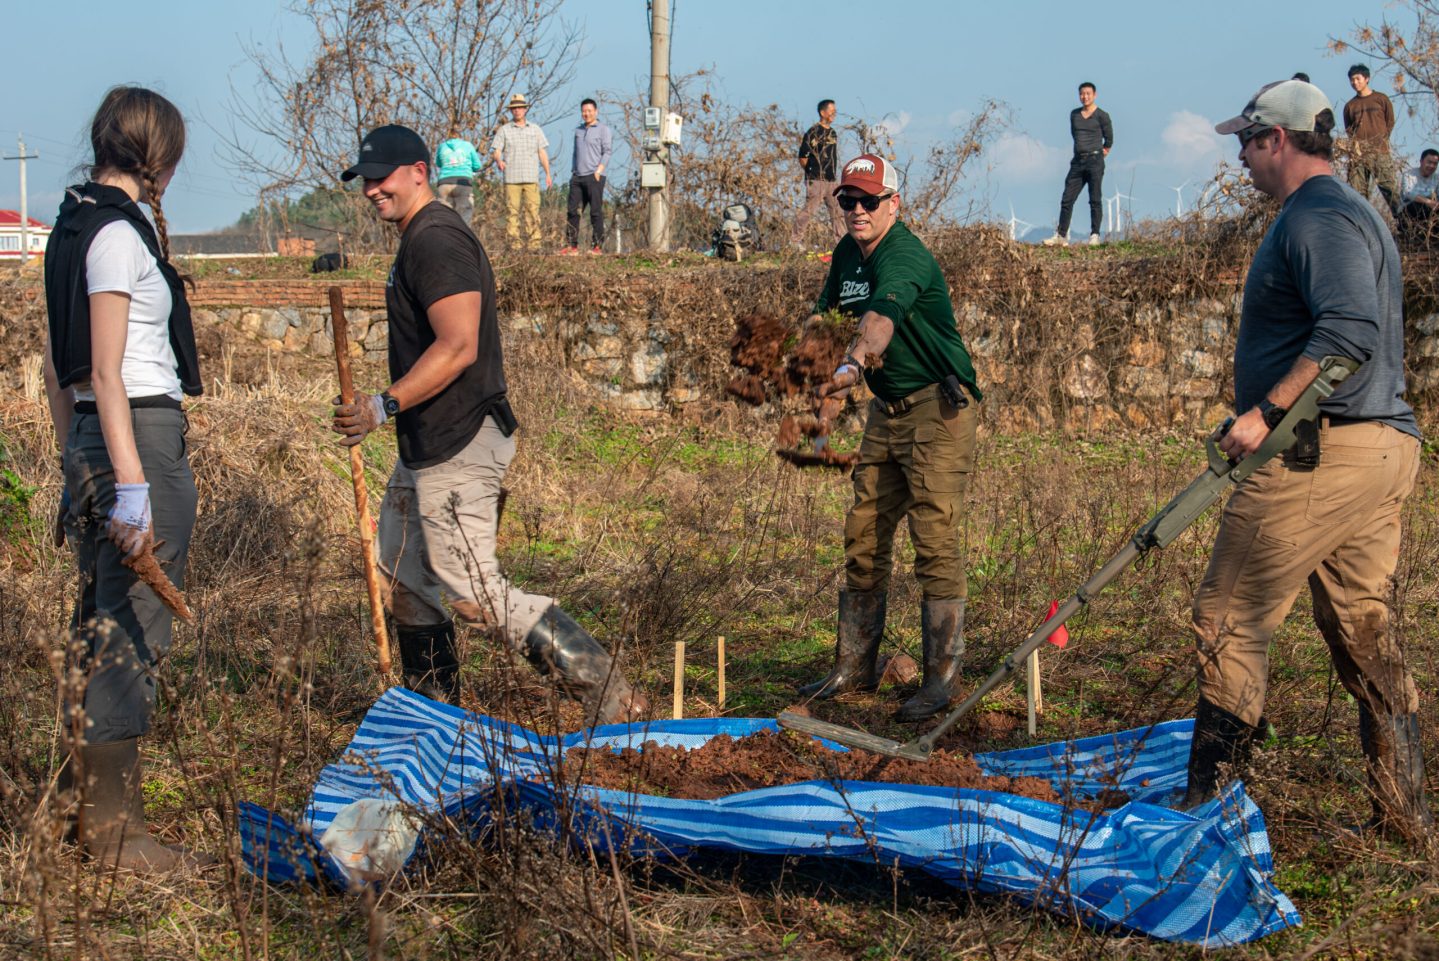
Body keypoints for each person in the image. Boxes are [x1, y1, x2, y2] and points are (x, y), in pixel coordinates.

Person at [333, 124, 647, 725]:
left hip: (460, 439)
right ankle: (435, 719)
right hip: (427, 445)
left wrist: (382, 405)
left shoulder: (436, 241)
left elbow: (458, 346)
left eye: (383, 178)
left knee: (474, 593)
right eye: (366, 180)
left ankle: (608, 694)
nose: (373, 189)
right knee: (401, 573)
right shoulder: (416, 239)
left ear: (419, 173)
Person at [1190, 80, 1429, 842]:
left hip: (1321, 448)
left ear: (1278, 140)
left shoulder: (1318, 216)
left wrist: (1264, 411)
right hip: (1379, 444)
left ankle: (1206, 824)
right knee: (1362, 621)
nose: (1239, 154)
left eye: (1246, 140)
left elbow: (1348, 329)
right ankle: (1403, 816)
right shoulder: (1354, 210)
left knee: (1226, 614)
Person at [41, 86, 206, 872]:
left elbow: (56, 366)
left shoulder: (70, 227)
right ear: (160, 156)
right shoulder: (112, 234)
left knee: (99, 619)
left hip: (95, 436)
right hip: (133, 431)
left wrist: (70, 456)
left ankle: (87, 814)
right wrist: (131, 485)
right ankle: (115, 836)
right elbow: (105, 371)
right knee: (129, 626)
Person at [797, 154, 983, 722]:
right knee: (864, 529)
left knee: (934, 537)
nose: (856, 210)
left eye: (868, 200)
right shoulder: (848, 254)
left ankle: (940, 683)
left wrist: (853, 366)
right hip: (888, 406)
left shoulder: (905, 255)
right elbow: (828, 325)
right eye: (846, 199)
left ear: (893, 205)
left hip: (937, 407)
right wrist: (822, 398)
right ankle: (854, 666)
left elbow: (877, 325)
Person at [1043, 82, 1113, 247]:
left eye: (1088, 93)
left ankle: (1095, 235)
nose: (1085, 97)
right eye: (1082, 94)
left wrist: (1103, 150)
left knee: (1094, 199)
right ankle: (1061, 235)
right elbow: (1075, 134)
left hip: (1095, 161)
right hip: (1077, 161)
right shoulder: (1074, 114)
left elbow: (1109, 138)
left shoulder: (1102, 115)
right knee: (1067, 198)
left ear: (1094, 95)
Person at [490, 94, 552, 251]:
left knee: (532, 212)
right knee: (512, 213)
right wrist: (499, 161)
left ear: (525, 109)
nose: (517, 111)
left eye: (520, 107)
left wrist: (547, 173)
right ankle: (514, 245)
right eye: (514, 108)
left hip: (531, 177)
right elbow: (496, 150)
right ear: (511, 111)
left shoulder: (535, 129)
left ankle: (534, 245)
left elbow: (542, 152)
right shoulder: (504, 130)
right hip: (511, 178)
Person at [1343, 64, 1400, 216]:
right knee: (1358, 195)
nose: (1355, 82)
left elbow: (1390, 121)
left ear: (1366, 79)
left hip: (1380, 152)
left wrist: (1381, 140)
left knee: (1390, 191)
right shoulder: (1350, 106)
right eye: (1351, 80)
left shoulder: (1381, 99)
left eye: (1357, 79)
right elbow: (1349, 130)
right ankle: (1362, 226)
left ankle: (1404, 226)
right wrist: (1356, 148)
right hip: (1358, 155)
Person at [789, 99, 844, 248]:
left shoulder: (833, 133)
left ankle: (842, 244)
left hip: (832, 181)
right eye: (831, 110)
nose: (834, 114)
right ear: (822, 112)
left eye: (835, 111)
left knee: (838, 213)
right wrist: (812, 172)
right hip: (816, 179)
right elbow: (802, 157)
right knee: (809, 211)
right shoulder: (813, 132)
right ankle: (795, 241)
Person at [561, 98, 612, 255]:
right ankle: (571, 245)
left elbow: (607, 151)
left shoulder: (603, 129)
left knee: (595, 212)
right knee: (573, 211)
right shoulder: (578, 130)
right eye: (584, 111)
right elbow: (575, 153)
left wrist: (599, 170)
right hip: (577, 176)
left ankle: (596, 246)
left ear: (596, 112)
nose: (586, 114)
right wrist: (573, 171)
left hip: (594, 176)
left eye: (589, 111)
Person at [434, 133, 484, 226]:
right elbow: (477, 166)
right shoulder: (468, 145)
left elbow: (438, 163)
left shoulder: (442, 146)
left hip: (444, 183)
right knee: (464, 218)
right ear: (460, 137)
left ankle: (446, 239)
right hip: (463, 183)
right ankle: (462, 239)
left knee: (445, 218)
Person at [1398, 148, 1439, 240]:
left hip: (1429, 213)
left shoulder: (1437, 178)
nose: (1432, 166)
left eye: (1435, 164)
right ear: (1421, 161)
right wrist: (1427, 201)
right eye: (1429, 162)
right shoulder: (1409, 175)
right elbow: (1408, 193)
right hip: (1409, 212)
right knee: (1417, 206)